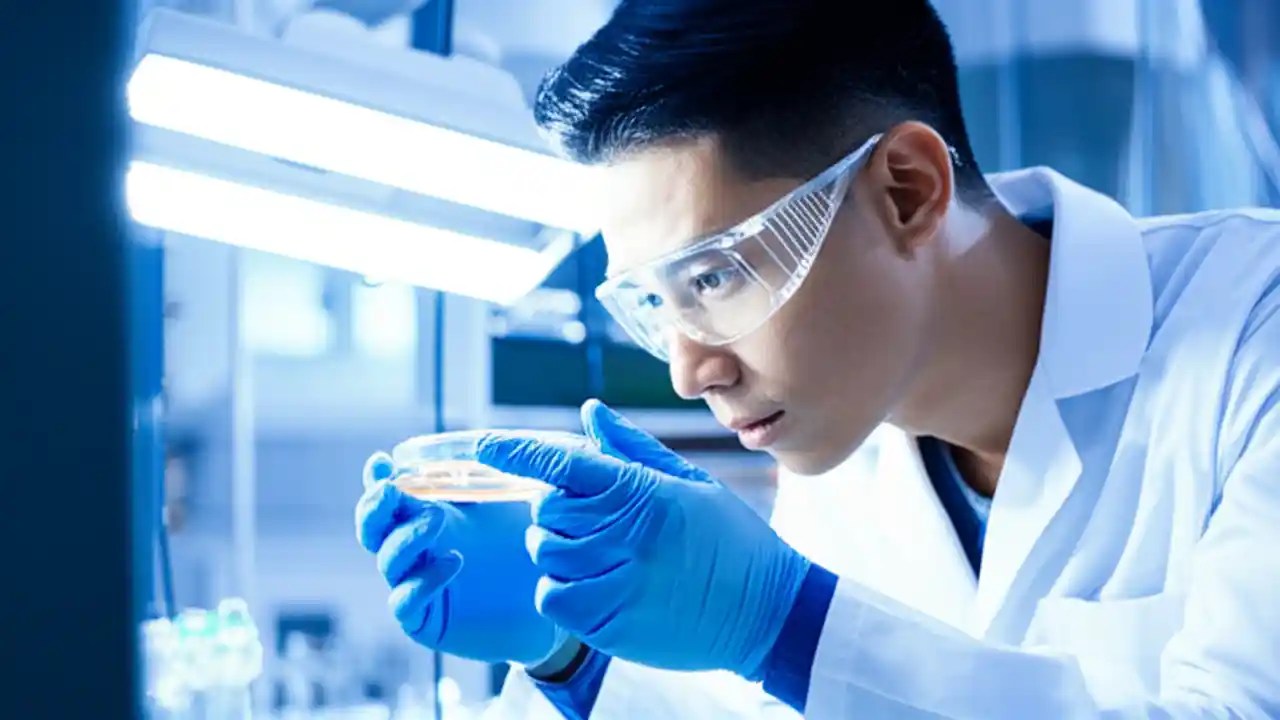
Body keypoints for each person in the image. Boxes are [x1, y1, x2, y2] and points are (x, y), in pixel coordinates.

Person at [355, 1, 1280, 717]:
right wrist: (574, 657)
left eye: (713, 276)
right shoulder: (847, 456)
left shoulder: (1255, 333)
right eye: (651, 303)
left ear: (908, 191)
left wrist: (782, 623)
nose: (688, 371)